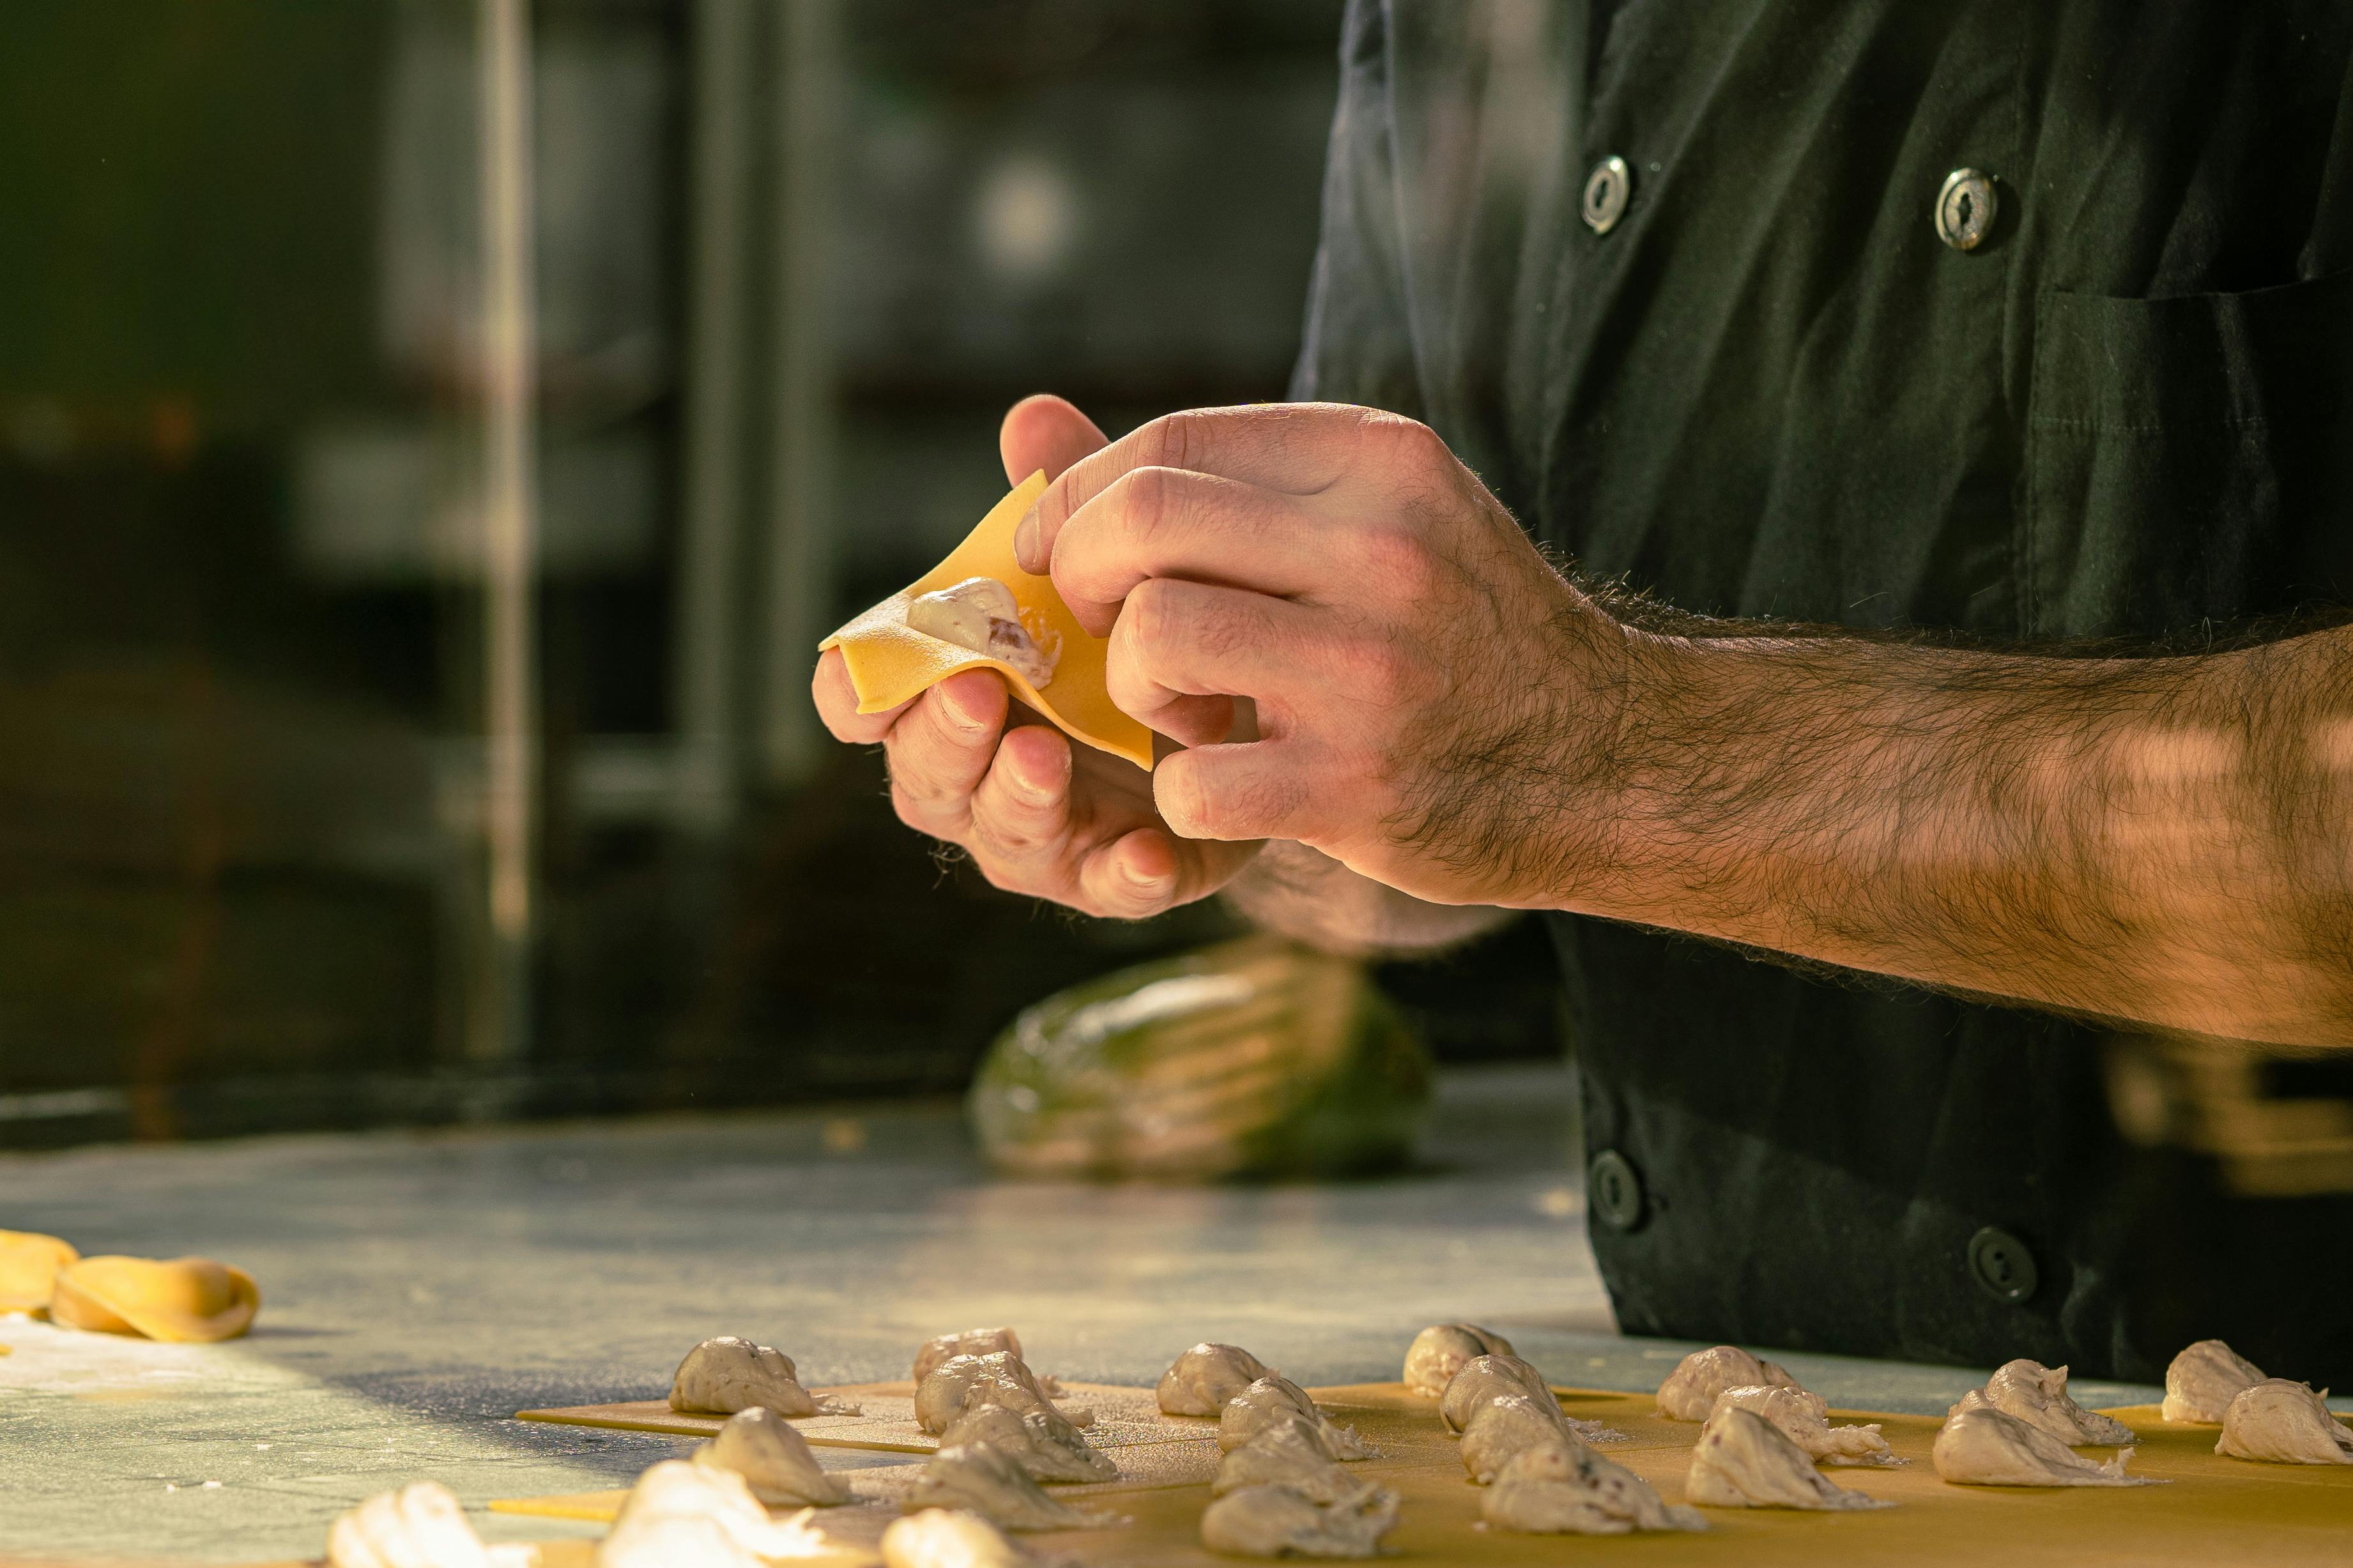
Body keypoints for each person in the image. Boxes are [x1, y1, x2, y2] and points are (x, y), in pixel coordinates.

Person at [815, 0, 2353, 1383]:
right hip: (1724, 1424)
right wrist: (1234, 757)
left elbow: (1548, 752)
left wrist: (1591, 758)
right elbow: (1460, 774)